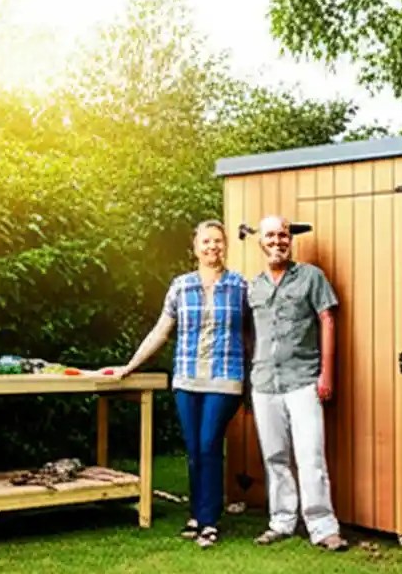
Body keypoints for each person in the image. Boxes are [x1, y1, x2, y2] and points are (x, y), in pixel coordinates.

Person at [105, 219, 246, 549]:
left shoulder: (241, 287)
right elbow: (160, 332)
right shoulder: (181, 287)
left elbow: (252, 335)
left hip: (225, 378)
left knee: (210, 443)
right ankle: (196, 515)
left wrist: (256, 377)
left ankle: (210, 521)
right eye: (206, 241)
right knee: (195, 449)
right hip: (186, 379)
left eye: (218, 241)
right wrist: (130, 365)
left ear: (225, 246)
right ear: (195, 247)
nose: (212, 247)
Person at [247, 214, 349, 552]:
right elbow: (251, 334)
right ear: (261, 242)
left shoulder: (310, 277)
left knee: (310, 455)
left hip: (304, 380)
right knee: (274, 456)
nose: (277, 241)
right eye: (271, 236)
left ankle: (322, 526)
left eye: (283, 235)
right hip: (264, 383)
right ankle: (281, 521)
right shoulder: (254, 286)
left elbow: (328, 320)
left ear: (290, 240)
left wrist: (326, 375)